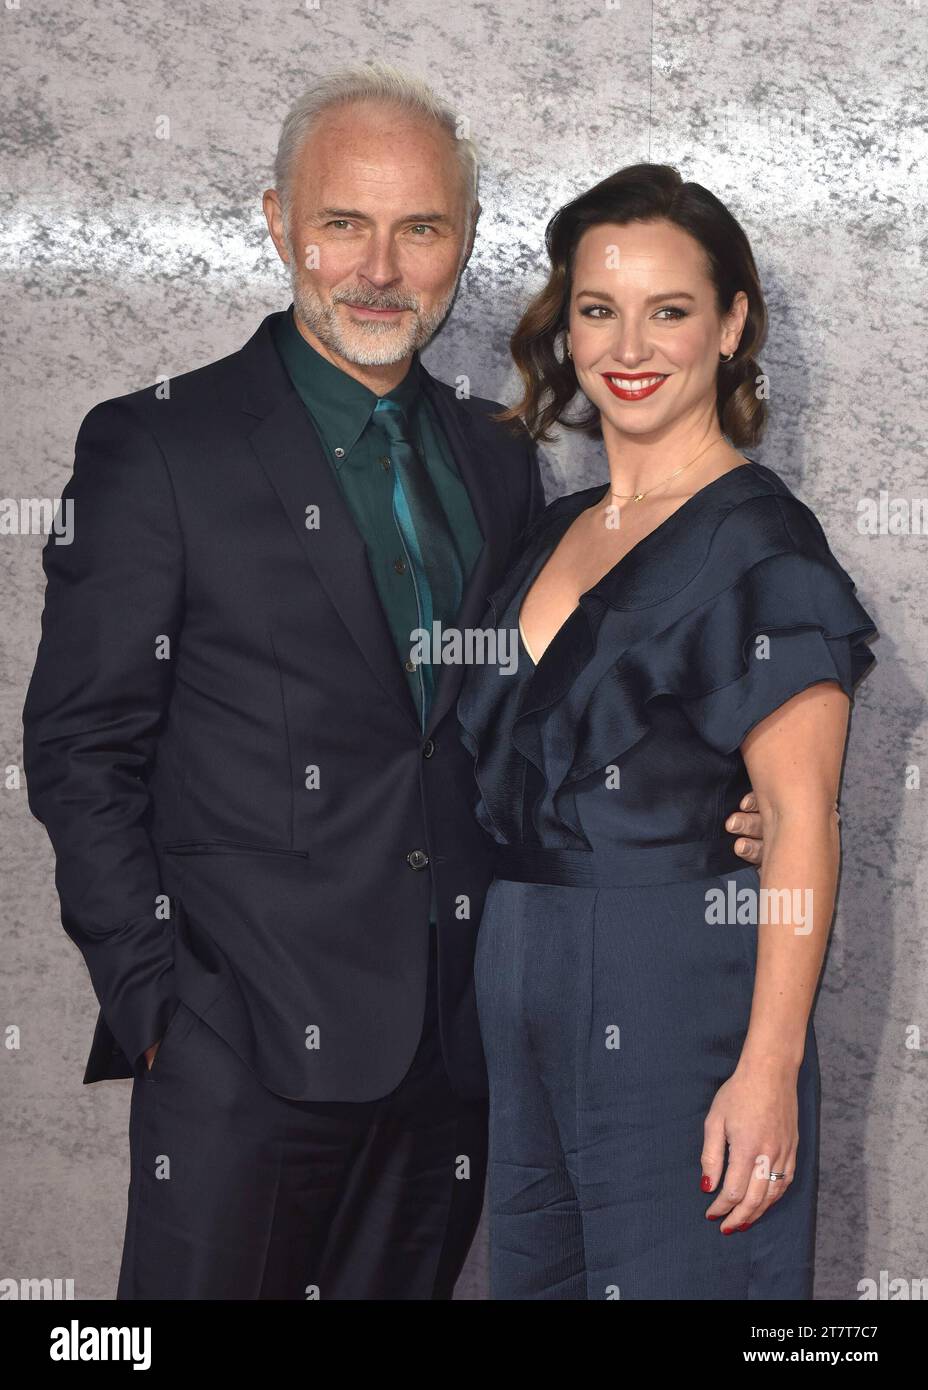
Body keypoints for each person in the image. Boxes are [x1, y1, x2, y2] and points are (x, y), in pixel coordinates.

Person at [21, 67, 761, 1300]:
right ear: (276, 224)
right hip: (238, 1048)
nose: (380, 266)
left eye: (419, 228)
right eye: (341, 222)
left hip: (457, 1050)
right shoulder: (155, 446)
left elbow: (530, 718)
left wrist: (722, 805)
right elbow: (78, 745)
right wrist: (159, 1003)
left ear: (462, 247)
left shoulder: (497, 457)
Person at [456, 163, 878, 1300]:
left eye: (670, 309)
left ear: (732, 322)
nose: (628, 344)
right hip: (516, 967)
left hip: (668, 979)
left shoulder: (762, 546)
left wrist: (769, 1068)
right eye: (598, 308)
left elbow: (798, 820)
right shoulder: (549, 533)